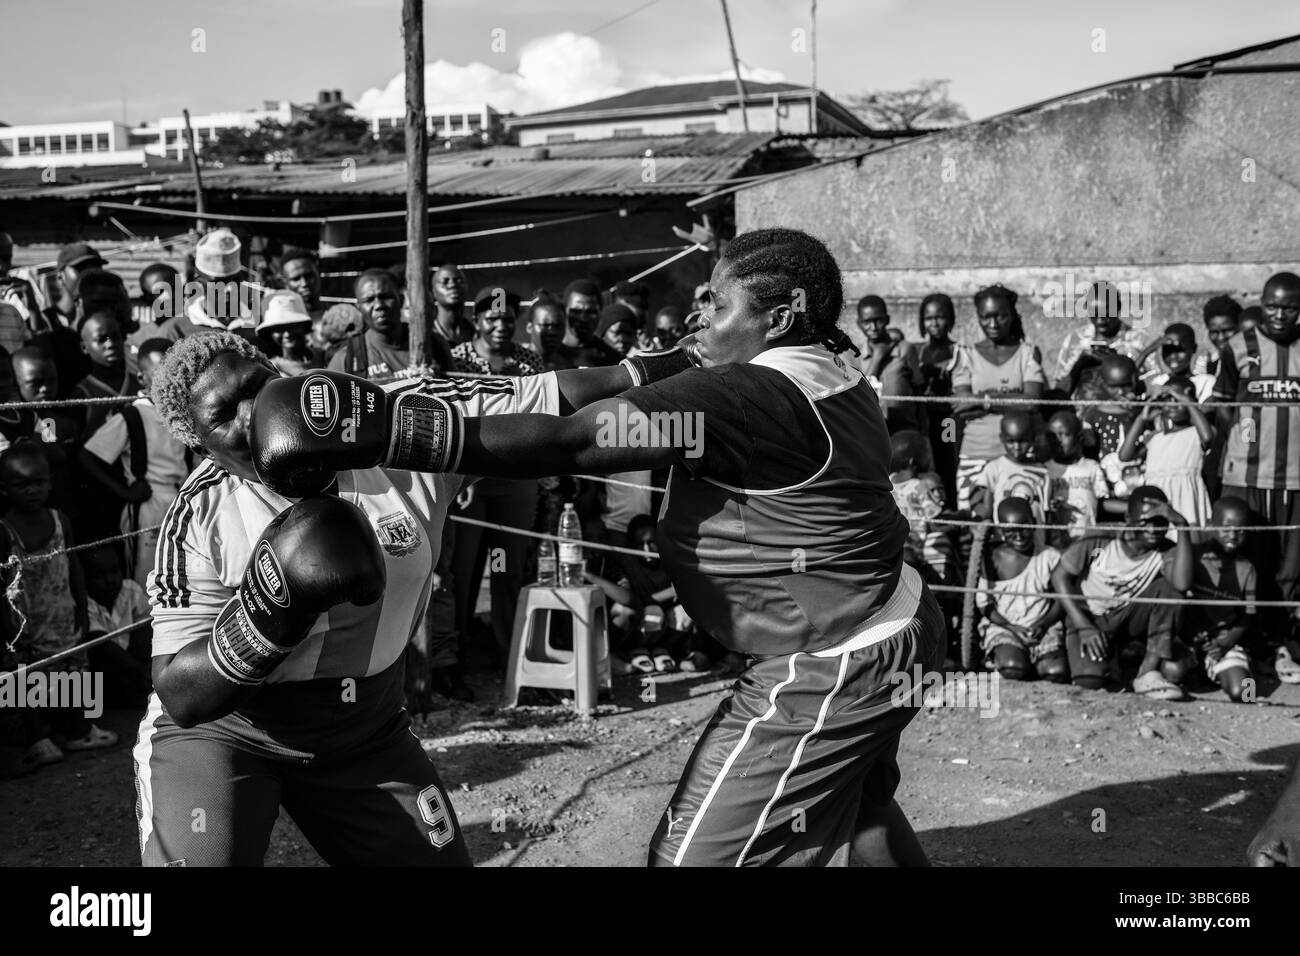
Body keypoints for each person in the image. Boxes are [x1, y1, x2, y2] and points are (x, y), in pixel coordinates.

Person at [253, 228, 946, 866]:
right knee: (858, 808)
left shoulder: (747, 394)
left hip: (833, 659)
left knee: (690, 861)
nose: (702, 314)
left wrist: (386, 432)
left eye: (721, 303)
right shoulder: (831, 362)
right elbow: (600, 396)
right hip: (896, 611)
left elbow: (573, 440)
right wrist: (657, 365)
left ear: (782, 316)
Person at [140, 326, 643, 865]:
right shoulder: (196, 517)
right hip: (230, 733)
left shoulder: (388, 430)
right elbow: (182, 693)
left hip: (366, 730)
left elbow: (547, 397)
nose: (249, 415)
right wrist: (270, 610)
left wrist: (689, 363)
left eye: (256, 387)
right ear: (199, 443)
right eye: (222, 416)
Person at [0, 444, 116, 760]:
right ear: (4, 488)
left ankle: (79, 730)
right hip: (26, 620)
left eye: (38, 482)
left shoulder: (59, 520)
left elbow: (72, 565)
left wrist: (80, 604)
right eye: (22, 485)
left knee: (74, 668)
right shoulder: (4, 530)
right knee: (29, 675)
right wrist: (7, 624)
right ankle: (39, 738)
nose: (32, 490)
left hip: (63, 613)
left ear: (50, 482)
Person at [1212, 271, 1300, 684]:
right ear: (1261, 305)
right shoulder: (1238, 348)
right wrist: (1245, 438)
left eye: (1289, 307)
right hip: (1246, 477)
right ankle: (1248, 643)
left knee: (1290, 567)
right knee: (1249, 561)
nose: (1279, 315)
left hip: (1296, 478)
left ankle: (1282, 643)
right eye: (1271, 306)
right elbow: (1224, 403)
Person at [1051, 487, 1195, 699]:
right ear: (1129, 517)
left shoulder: (1166, 550)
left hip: (1127, 618)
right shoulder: (1102, 536)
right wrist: (1083, 626)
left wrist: (1182, 526)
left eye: (1161, 521)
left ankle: (1147, 673)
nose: (1154, 528)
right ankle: (1112, 656)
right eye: (1146, 521)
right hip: (1089, 617)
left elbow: (1182, 584)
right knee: (1090, 682)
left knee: (1171, 591)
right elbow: (1059, 577)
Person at [80, 338, 191, 586]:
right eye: (160, 373)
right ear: (142, 379)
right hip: (147, 505)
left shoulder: (183, 413)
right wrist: (124, 491)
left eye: (176, 370)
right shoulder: (132, 415)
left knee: (182, 572)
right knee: (147, 577)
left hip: (181, 499)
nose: (169, 380)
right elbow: (88, 455)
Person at [950, 284, 1045, 511]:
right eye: (986, 317)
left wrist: (983, 400)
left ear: (1012, 315)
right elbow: (961, 405)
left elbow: (1033, 401)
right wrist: (1013, 398)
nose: (993, 324)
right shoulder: (966, 354)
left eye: (1001, 316)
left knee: (1017, 522)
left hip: (1018, 455)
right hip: (975, 453)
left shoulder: (1027, 353)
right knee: (974, 524)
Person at [977, 497, 1067, 682]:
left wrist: (1043, 624)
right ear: (1001, 530)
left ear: (1034, 524)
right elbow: (984, 604)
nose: (1018, 535)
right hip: (1005, 626)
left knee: (1055, 672)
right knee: (1013, 668)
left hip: (1042, 625)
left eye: (1024, 528)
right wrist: (1012, 628)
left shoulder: (1049, 557)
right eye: (1010, 531)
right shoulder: (992, 559)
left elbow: (1061, 600)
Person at [585, 513, 686, 674]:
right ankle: (627, 652)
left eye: (651, 542)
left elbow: (683, 588)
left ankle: (660, 650)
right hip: (620, 625)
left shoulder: (670, 559)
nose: (647, 549)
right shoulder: (626, 562)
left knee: (678, 611)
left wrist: (648, 601)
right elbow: (628, 600)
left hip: (658, 617)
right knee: (637, 612)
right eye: (641, 544)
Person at [1117, 376, 1214, 536]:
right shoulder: (1154, 437)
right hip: (1158, 499)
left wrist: (1187, 401)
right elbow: (1124, 455)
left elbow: (1208, 437)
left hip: (1185, 501)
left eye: (1176, 399)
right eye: (1166, 400)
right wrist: (1141, 418)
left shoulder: (1196, 433)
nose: (1172, 405)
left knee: (1187, 541)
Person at [1182, 497, 1255, 702]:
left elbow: (1247, 617)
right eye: (1226, 528)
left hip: (1223, 640)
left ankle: (1250, 684)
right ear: (1211, 525)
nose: (1233, 535)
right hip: (1190, 638)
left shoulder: (1247, 568)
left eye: (1240, 530)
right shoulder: (1195, 556)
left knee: (1244, 693)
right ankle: (1201, 674)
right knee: (1172, 672)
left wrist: (1227, 641)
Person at [330, 268, 452, 379]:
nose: (379, 306)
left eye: (386, 297)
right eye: (369, 300)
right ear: (359, 308)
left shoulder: (433, 344)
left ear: (401, 300)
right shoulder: (347, 359)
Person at [82, 544, 153, 707]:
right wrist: (140, 671)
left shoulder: (130, 590)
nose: (110, 580)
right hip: (109, 670)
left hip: (135, 659)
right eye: (100, 575)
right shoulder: (87, 604)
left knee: (147, 629)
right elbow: (102, 645)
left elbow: (148, 627)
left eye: (115, 571)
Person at [157, 228, 256, 340]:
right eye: (219, 283)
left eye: (235, 280)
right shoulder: (176, 331)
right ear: (199, 283)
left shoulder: (257, 327)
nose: (229, 288)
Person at [1054, 280, 1149, 392]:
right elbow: (1059, 392)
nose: (1100, 321)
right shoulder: (1076, 340)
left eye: (1106, 315)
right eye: (1094, 315)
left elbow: (1153, 384)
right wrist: (1080, 364)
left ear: (1118, 307)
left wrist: (1116, 363)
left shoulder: (1138, 339)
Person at [857, 294, 925, 434]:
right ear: (859, 324)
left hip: (905, 430)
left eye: (878, 321)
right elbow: (861, 395)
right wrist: (877, 358)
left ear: (887, 320)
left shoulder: (905, 350)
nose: (874, 327)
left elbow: (918, 391)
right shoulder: (855, 356)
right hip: (872, 432)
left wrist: (923, 429)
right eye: (867, 322)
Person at [969, 410, 1048, 524]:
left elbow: (1046, 509)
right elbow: (985, 508)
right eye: (1010, 441)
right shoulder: (994, 468)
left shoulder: (1042, 472)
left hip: (1036, 537)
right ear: (1002, 438)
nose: (1016, 447)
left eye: (1022, 441)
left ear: (1032, 438)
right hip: (1005, 536)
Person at [917, 293, 958, 506]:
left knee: (948, 462)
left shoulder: (958, 351)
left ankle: (951, 506)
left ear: (950, 319)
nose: (934, 323)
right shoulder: (917, 351)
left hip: (947, 420)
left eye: (940, 317)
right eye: (928, 318)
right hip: (923, 420)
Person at [450, 287, 544, 375]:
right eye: (491, 319)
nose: (501, 327)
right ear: (476, 322)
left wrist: (521, 382)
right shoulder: (458, 359)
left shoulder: (531, 361)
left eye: (508, 320)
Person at [1080, 353, 1140, 461]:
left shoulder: (1142, 410)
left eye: (1126, 385)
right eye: (1114, 386)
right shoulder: (1093, 414)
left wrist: (1135, 411)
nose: (1121, 391)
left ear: (1135, 381)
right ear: (1103, 383)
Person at [256, 290, 322, 376]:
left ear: (304, 326)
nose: (287, 334)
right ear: (270, 333)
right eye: (279, 329)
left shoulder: (323, 356)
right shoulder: (271, 369)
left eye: (292, 326)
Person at [563, 278, 621, 367]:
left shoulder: (613, 360)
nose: (583, 318)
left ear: (600, 313)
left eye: (590, 312)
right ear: (564, 311)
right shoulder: (548, 354)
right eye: (576, 311)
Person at [0, 231, 42, 335]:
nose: (1, 266)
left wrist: (31, 305)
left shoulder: (20, 290)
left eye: (6, 259)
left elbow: (37, 338)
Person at [525, 294, 576, 371]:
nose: (552, 332)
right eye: (545, 326)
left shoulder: (569, 367)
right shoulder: (516, 365)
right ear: (529, 327)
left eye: (558, 326)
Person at [431, 263, 474, 346]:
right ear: (433, 292)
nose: (453, 285)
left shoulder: (475, 333)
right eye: (445, 282)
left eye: (459, 281)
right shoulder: (428, 333)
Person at [277, 249, 323, 321]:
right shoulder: (278, 320)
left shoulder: (336, 316)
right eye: (296, 279)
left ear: (318, 274)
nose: (304, 283)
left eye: (309, 276)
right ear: (285, 283)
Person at [1201, 294, 1243, 376]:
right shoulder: (1209, 367)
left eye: (1227, 330)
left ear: (1239, 327)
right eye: (1214, 332)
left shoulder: (1251, 364)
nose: (1221, 338)